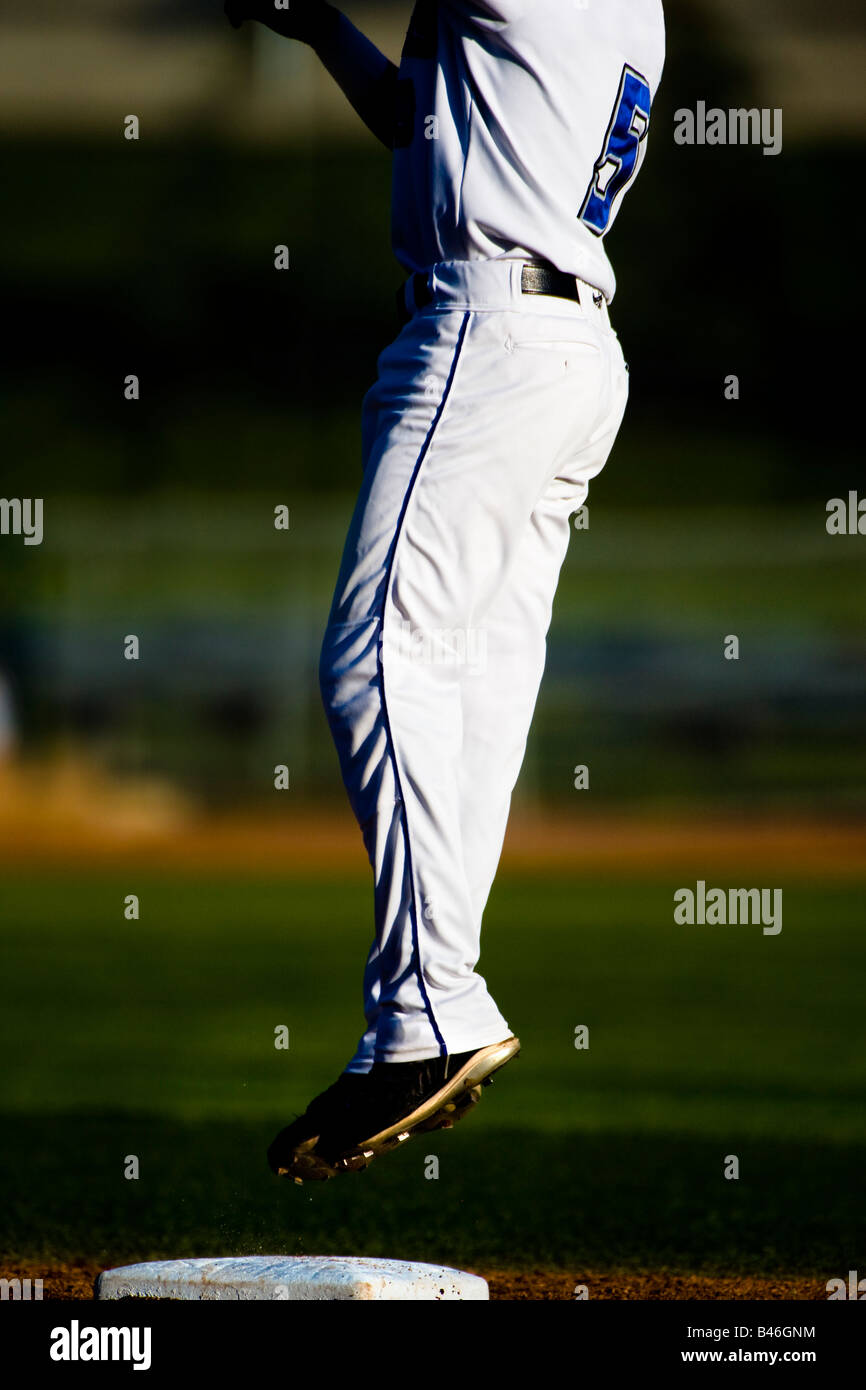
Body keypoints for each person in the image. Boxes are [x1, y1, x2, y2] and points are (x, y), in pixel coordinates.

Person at [225, 0, 665, 1183]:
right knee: (468, 690)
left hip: (488, 335)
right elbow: (424, 122)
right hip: (562, 345)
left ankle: (428, 1012)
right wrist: (324, 31)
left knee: (379, 656)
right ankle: (419, 1017)